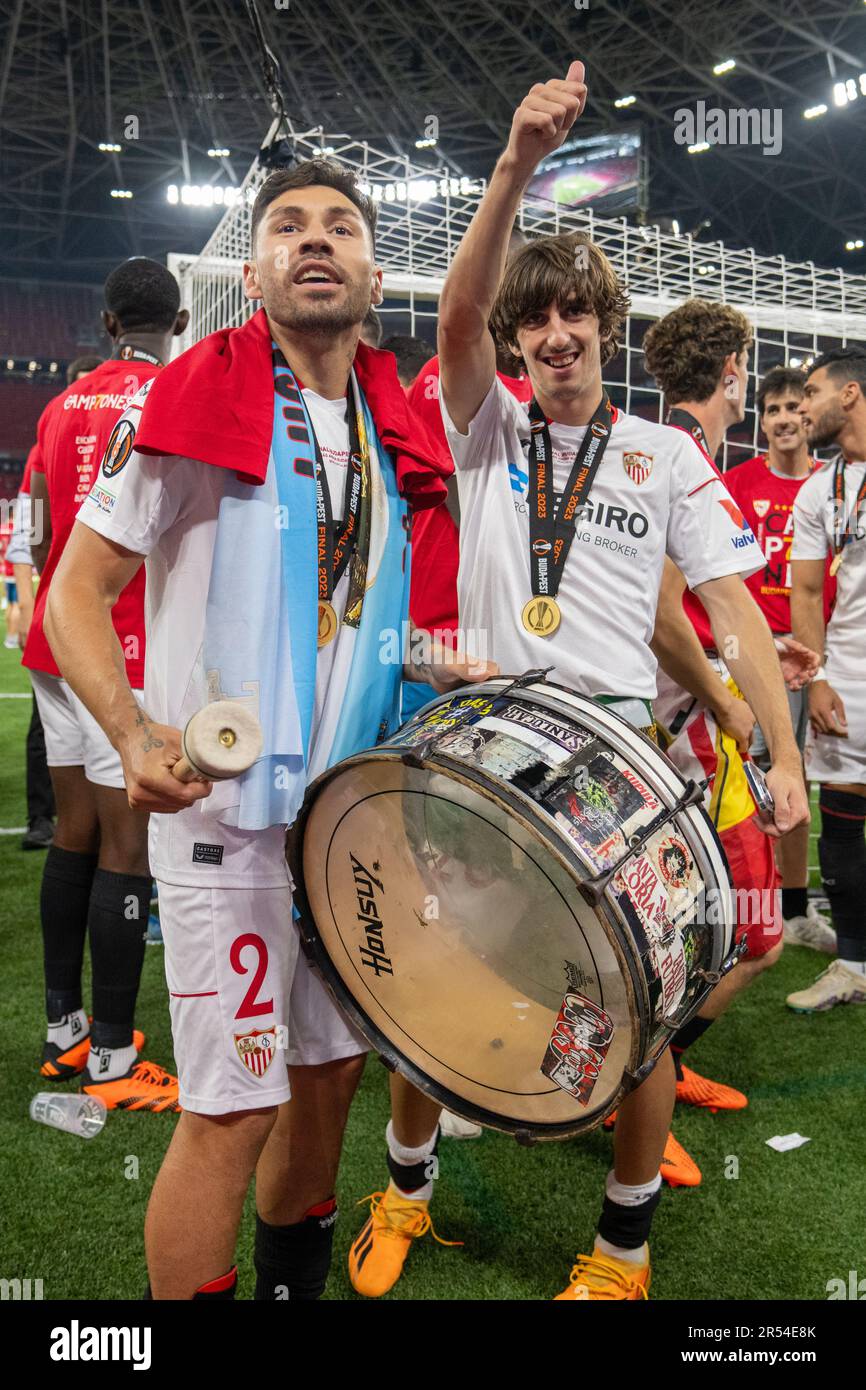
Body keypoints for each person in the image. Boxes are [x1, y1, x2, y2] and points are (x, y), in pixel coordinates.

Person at [347, 63, 809, 1302]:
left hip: (623, 772)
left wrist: (781, 758)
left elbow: (730, 621)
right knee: (427, 986)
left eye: (572, 319)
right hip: (487, 749)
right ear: (515, 339)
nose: (552, 337)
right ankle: (405, 1194)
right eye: (530, 321)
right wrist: (510, 168)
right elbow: (450, 324)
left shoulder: (663, 454)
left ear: (603, 327)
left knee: (631, 1011)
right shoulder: (485, 424)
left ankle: (619, 1253)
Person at [46, 158, 486, 1300]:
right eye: (287, 226)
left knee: (330, 1078)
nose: (315, 241)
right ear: (254, 270)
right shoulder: (198, 391)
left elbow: (358, 616)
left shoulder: (397, 427)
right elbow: (73, 591)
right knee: (233, 1110)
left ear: (372, 268)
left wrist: (437, 661)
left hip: (350, 832)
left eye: (340, 226)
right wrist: (135, 731)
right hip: (225, 829)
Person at [644, 307, 819, 1140]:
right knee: (755, 934)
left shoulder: (668, 445)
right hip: (677, 739)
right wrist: (729, 699)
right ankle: (641, 1086)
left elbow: (711, 614)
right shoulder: (680, 457)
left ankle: (653, 1076)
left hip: (661, 731)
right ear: (735, 371)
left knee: (697, 928)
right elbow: (665, 613)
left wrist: (752, 651)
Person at [24, 257, 188, 1108]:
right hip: (121, 649)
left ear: (108, 322)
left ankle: (65, 1030)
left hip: (58, 643)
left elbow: (41, 527)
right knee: (129, 849)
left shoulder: (57, 406)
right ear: (181, 321)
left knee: (74, 836)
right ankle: (117, 1059)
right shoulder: (174, 395)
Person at [722, 365, 836, 951]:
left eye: (795, 406)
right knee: (739, 777)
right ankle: (733, 903)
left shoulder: (832, 487)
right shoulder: (736, 483)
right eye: (773, 410)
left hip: (812, 656)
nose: (785, 418)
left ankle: (792, 912)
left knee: (797, 781)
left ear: (810, 416)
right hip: (749, 654)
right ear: (761, 421)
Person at [788, 348, 866, 1011]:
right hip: (850, 672)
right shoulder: (820, 490)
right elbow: (806, 593)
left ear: (850, 394)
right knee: (841, 816)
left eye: (811, 392)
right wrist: (815, 679)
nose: (802, 404)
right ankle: (854, 965)